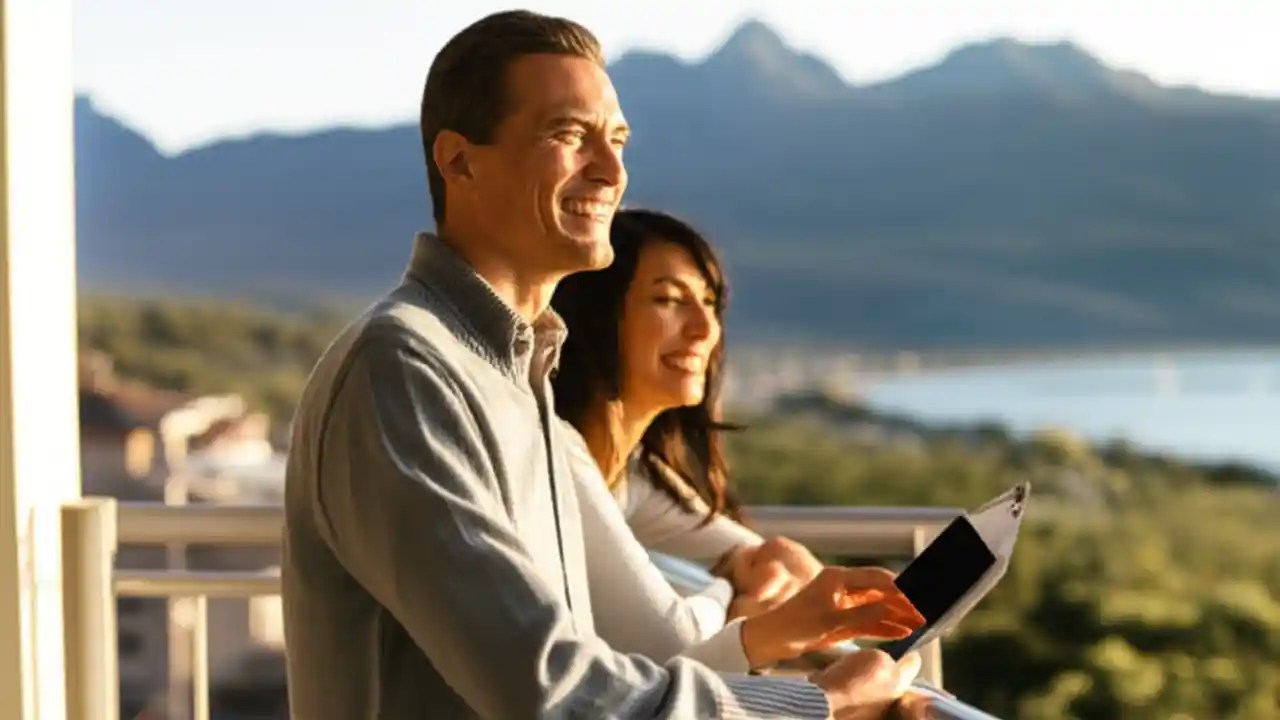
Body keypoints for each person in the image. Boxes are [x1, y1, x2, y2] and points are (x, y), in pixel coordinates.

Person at [282, 9, 929, 719]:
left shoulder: (518, 382)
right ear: (460, 160)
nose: (613, 171)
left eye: (617, 141)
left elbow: (597, 672)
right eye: (569, 136)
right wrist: (823, 701)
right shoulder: (402, 370)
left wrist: (790, 649)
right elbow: (550, 688)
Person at [552, 208, 833, 616]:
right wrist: (734, 606)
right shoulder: (559, 469)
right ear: (596, 317)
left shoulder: (630, 475)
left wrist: (764, 563)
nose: (704, 328)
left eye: (708, 302)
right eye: (668, 300)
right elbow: (666, 632)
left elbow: (747, 553)